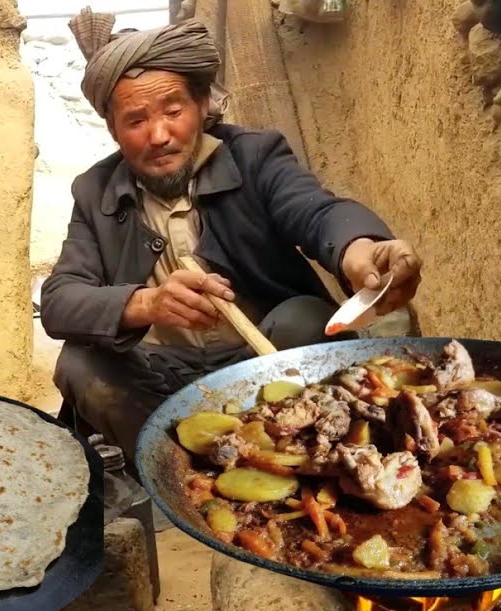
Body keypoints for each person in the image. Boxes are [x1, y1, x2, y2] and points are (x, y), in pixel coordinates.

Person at [40, 15, 424, 463]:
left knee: (306, 318)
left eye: (172, 110)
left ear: (202, 104)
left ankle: (290, 454)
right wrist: (147, 303)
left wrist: (361, 250)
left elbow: (316, 212)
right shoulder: (94, 191)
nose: (159, 135)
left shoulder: (254, 155)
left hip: (258, 361)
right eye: (136, 120)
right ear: (112, 129)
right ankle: (175, 470)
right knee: (80, 365)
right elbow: (59, 301)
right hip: (160, 377)